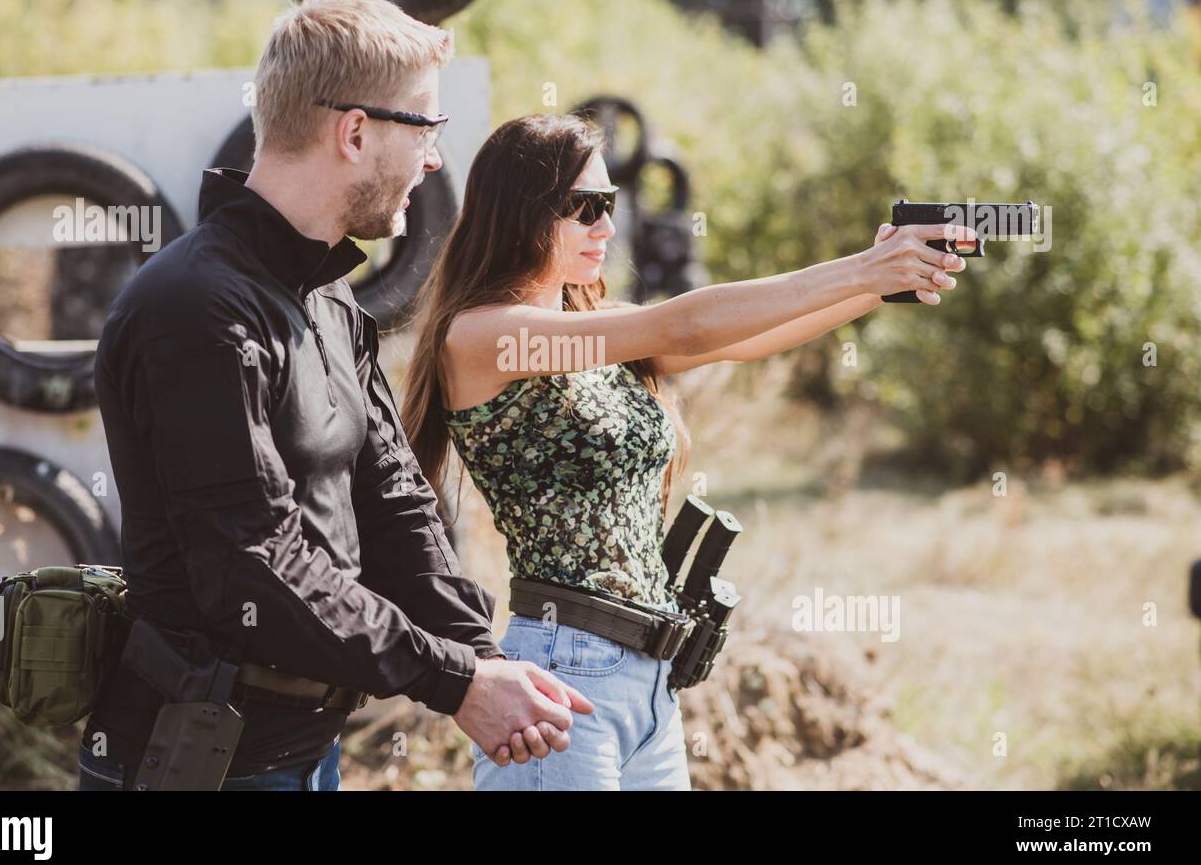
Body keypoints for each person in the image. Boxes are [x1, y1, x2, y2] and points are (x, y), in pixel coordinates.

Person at [78, 0, 590, 792]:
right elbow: (254, 565)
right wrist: (455, 681)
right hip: (200, 763)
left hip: (307, 752)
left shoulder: (329, 296)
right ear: (354, 133)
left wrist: (481, 660)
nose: (433, 160)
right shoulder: (195, 309)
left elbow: (393, 502)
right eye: (425, 128)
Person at [401, 112, 971, 790]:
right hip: (564, 675)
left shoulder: (594, 331)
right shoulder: (484, 336)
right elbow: (684, 323)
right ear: (522, 213)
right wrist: (863, 267)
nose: (605, 227)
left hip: (649, 681)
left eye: (610, 205)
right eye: (585, 207)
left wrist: (877, 282)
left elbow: (739, 339)